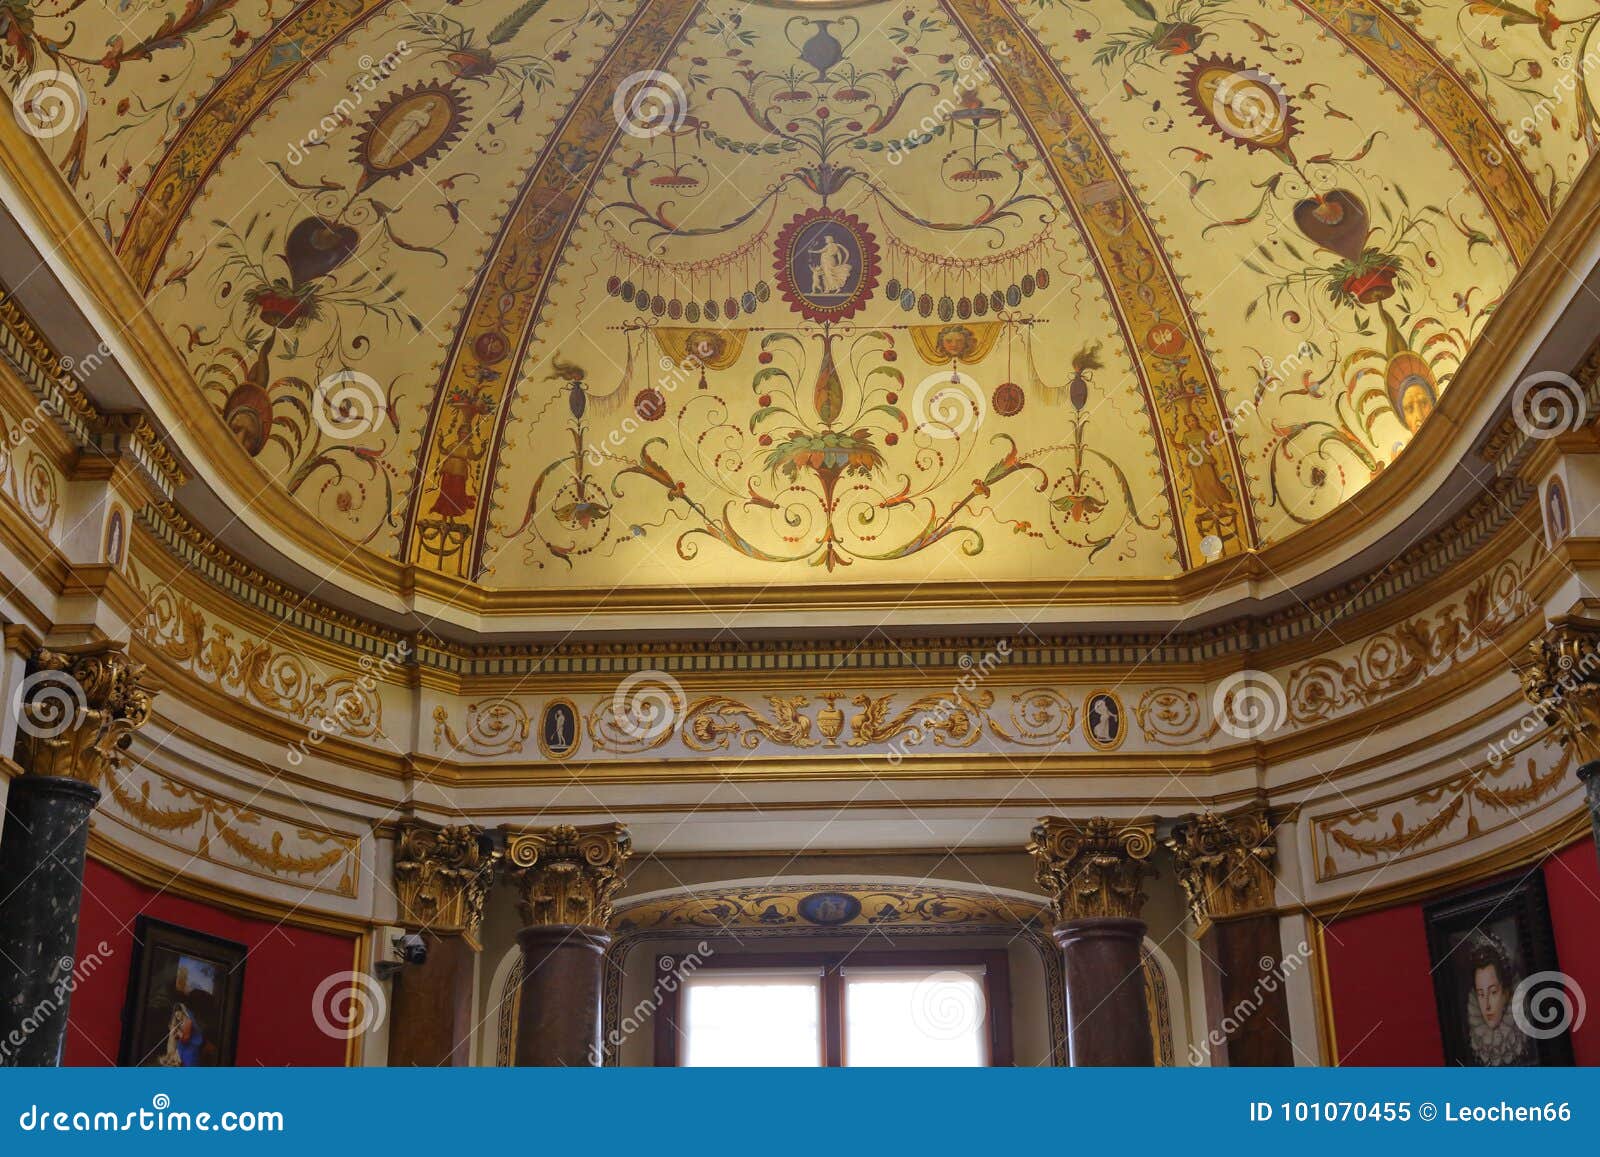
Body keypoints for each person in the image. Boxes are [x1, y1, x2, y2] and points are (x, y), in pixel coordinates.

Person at [1462, 934, 1534, 1066]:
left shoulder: (1525, 1036)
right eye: (1481, 994)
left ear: (1506, 993)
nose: (1487, 1005)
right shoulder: (1473, 1042)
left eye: (1493, 992)